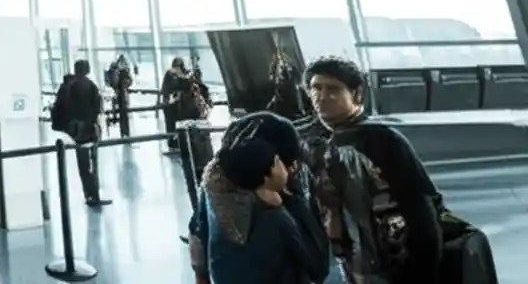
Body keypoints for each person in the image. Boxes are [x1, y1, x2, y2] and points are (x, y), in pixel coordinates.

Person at [298, 56, 443, 284]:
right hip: (352, 265)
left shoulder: (381, 140)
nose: (322, 96)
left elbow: (420, 208)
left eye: (333, 89)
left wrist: (423, 271)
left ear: (355, 94)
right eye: (316, 88)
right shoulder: (316, 142)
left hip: (396, 266)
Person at [189, 111, 329, 284]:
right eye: (289, 162)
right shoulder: (276, 210)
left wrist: (201, 275)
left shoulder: (213, 188)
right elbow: (318, 267)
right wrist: (292, 199)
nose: (294, 168)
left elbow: (197, 233)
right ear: (273, 165)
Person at [53, 60, 106, 207]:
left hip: (73, 128)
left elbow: (60, 106)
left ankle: (89, 193)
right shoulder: (90, 86)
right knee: (92, 160)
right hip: (88, 127)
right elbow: (97, 108)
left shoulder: (67, 86)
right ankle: (93, 194)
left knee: (82, 163)